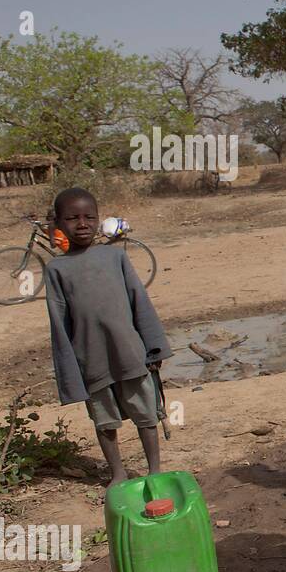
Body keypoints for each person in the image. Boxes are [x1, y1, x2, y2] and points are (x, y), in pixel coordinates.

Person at [43, 187, 171, 486]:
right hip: (92, 360)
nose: (82, 223)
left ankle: (155, 471)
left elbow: (139, 301)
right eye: (72, 218)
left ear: (99, 219)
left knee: (146, 414)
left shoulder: (115, 257)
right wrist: (71, 376)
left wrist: (154, 348)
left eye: (89, 217)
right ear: (58, 224)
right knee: (104, 421)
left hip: (130, 352)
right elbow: (59, 325)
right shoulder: (56, 269)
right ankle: (118, 473)